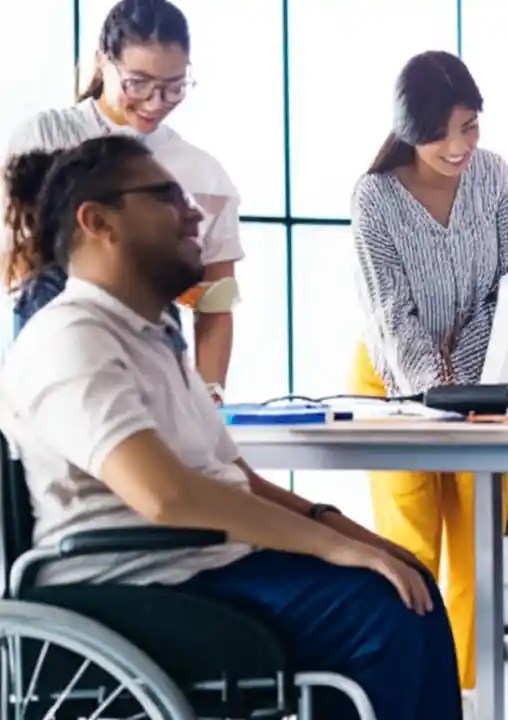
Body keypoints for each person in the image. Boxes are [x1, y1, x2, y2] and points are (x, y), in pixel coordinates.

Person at [0, 135, 461, 720]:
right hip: (135, 581)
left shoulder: (152, 337)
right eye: (167, 195)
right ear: (98, 222)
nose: (194, 212)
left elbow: (234, 478)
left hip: (203, 564)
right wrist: (334, 550)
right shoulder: (70, 339)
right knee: (380, 611)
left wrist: (347, 532)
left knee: (407, 582)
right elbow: (165, 495)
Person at [347, 50, 508, 711]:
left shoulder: (495, 177)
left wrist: (470, 387)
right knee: (409, 553)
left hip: (483, 382)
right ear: (406, 127)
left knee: (480, 557)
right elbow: (390, 314)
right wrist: (433, 394)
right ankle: (410, 697)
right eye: (440, 132)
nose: (458, 147)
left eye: (470, 127)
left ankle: (467, 700)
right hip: (391, 382)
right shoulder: (374, 197)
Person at [3, 0, 241, 404]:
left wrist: (208, 400)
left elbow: (216, 300)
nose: (155, 101)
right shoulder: (48, 135)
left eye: (173, 86)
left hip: (156, 365)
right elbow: (18, 265)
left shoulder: (204, 173)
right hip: (59, 354)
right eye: (138, 83)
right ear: (103, 62)